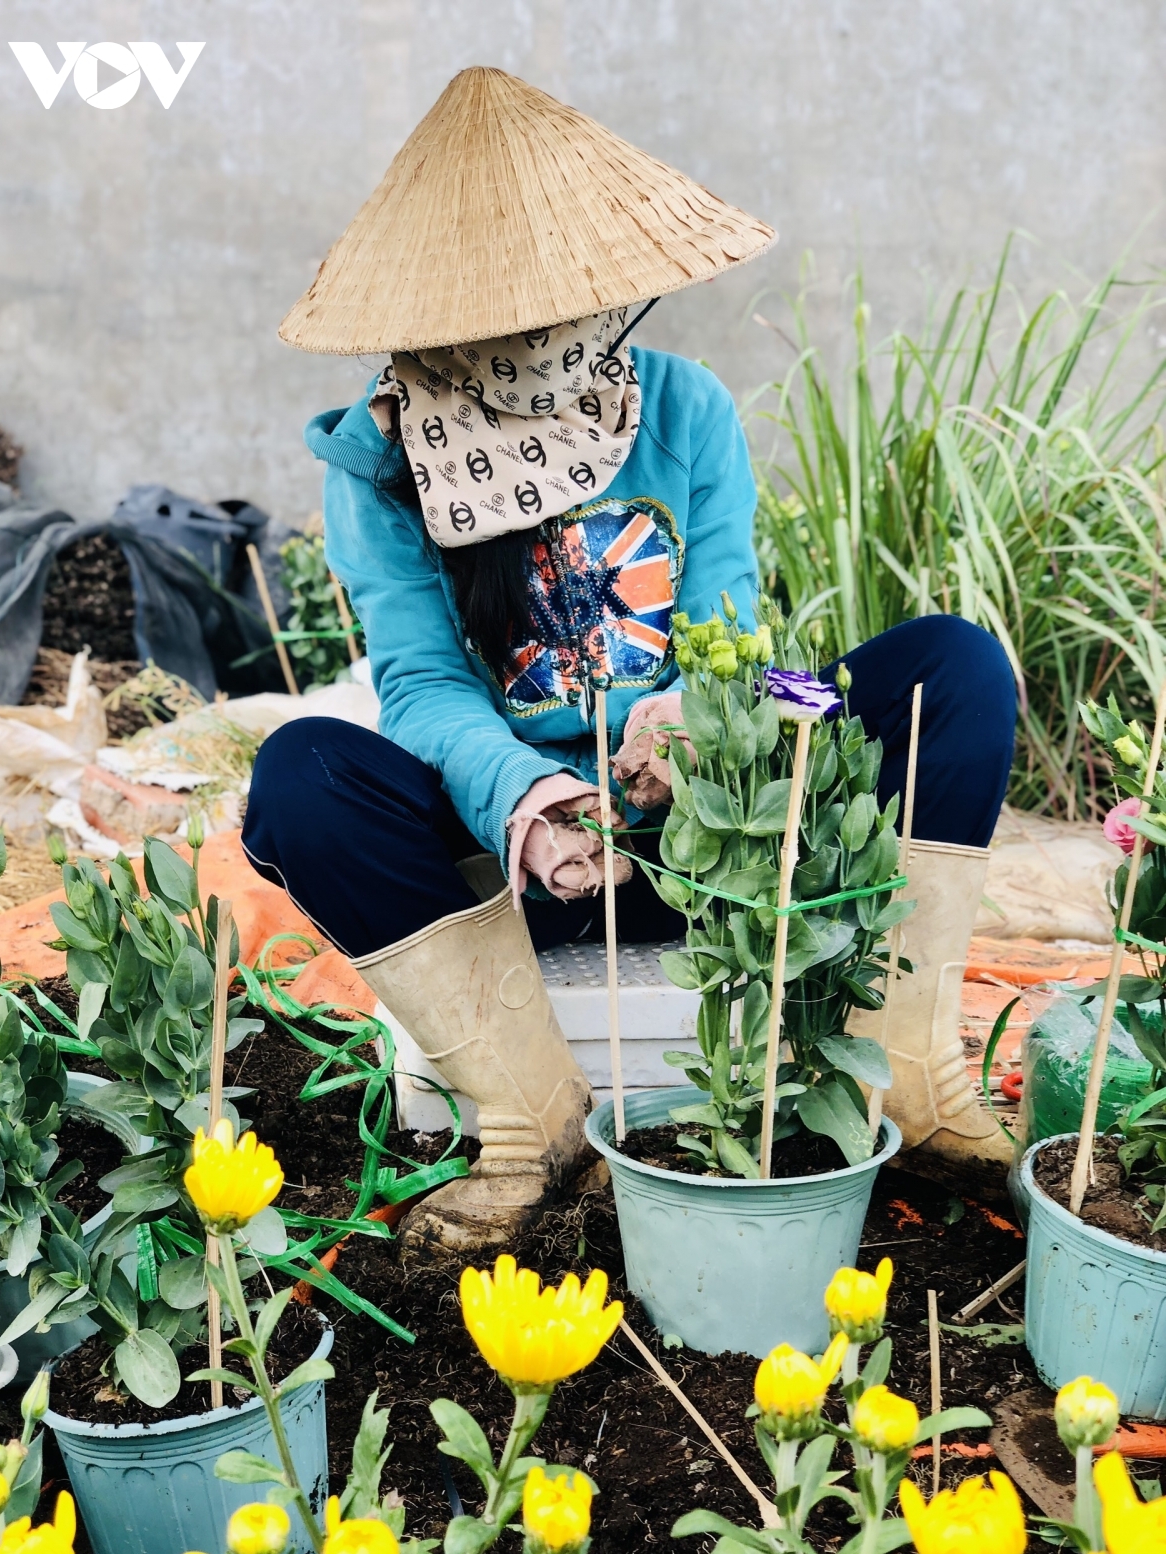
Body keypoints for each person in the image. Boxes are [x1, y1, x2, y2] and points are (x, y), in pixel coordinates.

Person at [247, 67, 1017, 1257]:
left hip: (720, 830)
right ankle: (527, 1125)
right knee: (301, 772)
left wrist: (693, 723)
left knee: (951, 667)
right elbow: (421, 685)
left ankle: (912, 1078)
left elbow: (734, 630)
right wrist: (530, 797)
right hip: (516, 871)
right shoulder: (378, 463)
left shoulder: (685, 408)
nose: (535, 344)